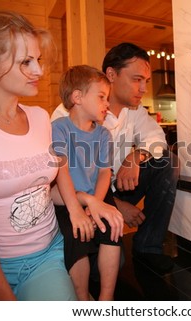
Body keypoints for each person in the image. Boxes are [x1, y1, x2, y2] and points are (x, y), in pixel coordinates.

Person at [0, 9, 108, 301]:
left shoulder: (39, 118)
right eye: (25, 62)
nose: (39, 71)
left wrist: (77, 206)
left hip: (44, 258)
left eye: (38, 60)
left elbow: (57, 169)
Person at [51, 42, 179, 273]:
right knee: (103, 269)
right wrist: (117, 205)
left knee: (168, 162)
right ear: (111, 74)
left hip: (115, 183)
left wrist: (136, 156)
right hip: (80, 194)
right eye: (136, 79)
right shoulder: (67, 115)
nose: (143, 89)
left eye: (146, 82)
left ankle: (148, 247)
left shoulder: (136, 112)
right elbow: (59, 178)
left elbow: (157, 139)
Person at [51, 65, 123, 300]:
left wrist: (97, 205)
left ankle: (106, 297)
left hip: (97, 193)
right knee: (76, 234)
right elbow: (61, 172)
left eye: (107, 98)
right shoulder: (57, 129)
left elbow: (104, 173)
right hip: (67, 197)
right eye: (101, 97)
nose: (107, 104)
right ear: (77, 97)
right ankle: (82, 298)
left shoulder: (103, 134)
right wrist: (83, 207)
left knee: (112, 223)